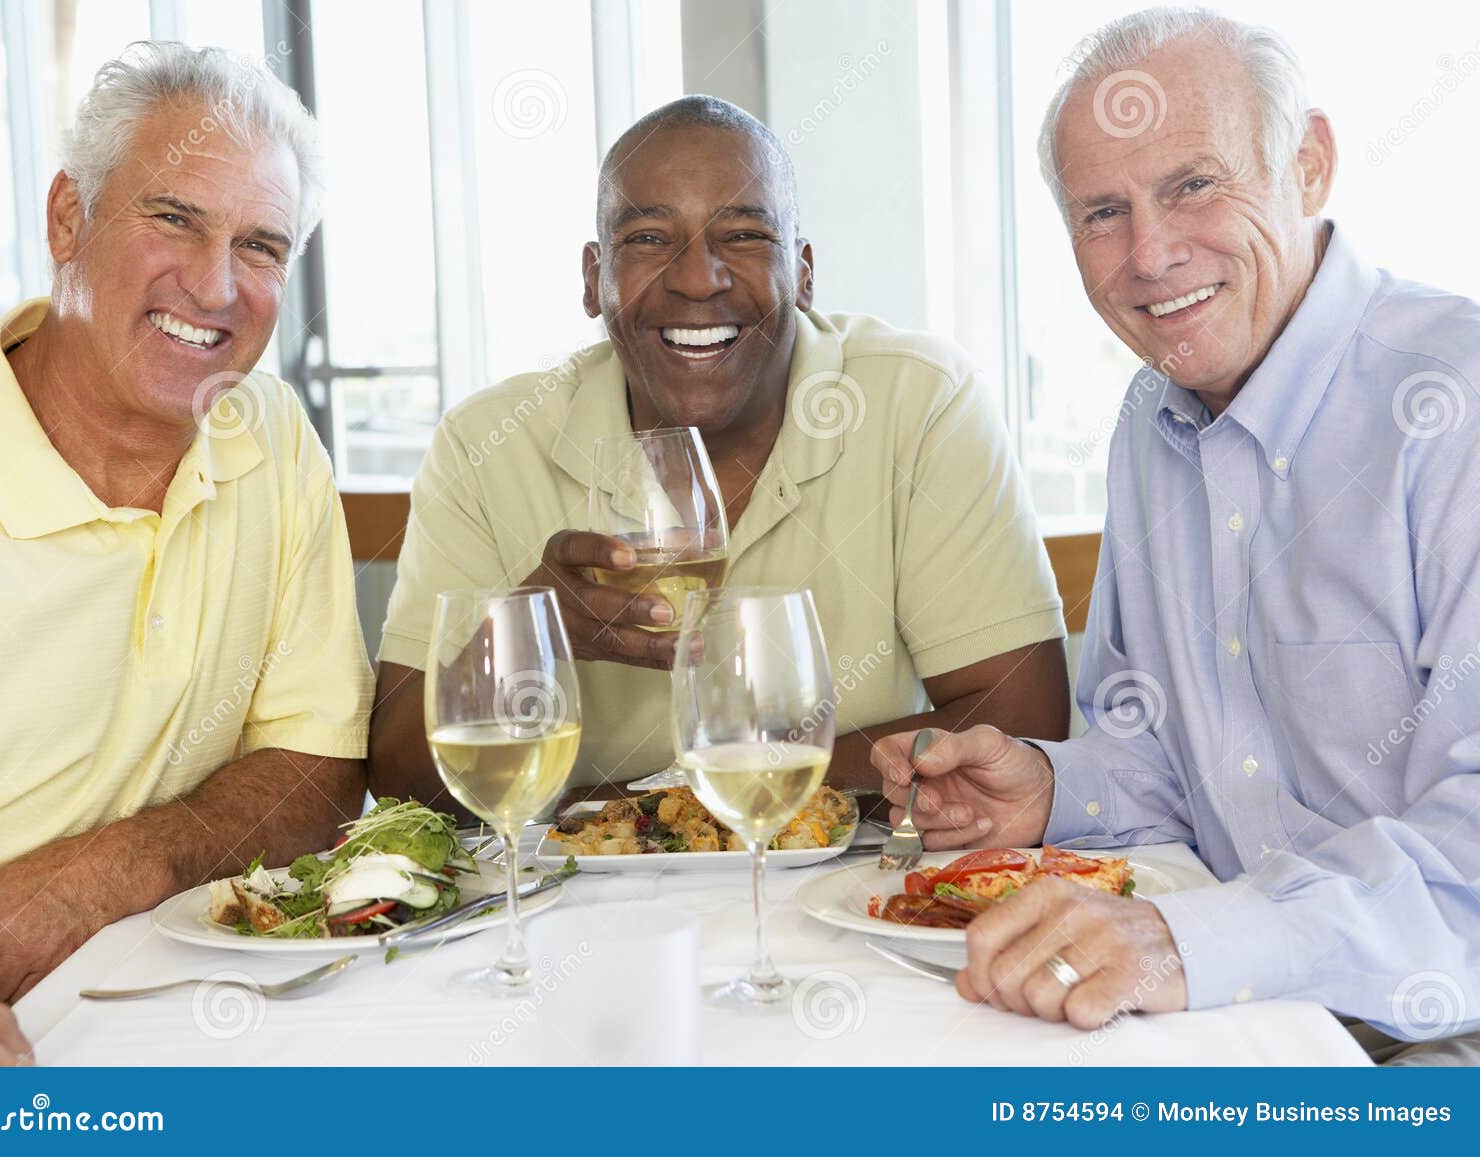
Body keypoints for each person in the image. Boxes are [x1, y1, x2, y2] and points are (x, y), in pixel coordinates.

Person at [875, 7, 1480, 1063]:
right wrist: (1050, 784)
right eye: (1101, 212)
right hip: (1257, 1015)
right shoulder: (1149, 423)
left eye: (1191, 185)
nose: (1149, 254)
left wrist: (1184, 939)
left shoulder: (1452, 407)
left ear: (1308, 164)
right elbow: (1178, 751)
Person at [0, 43, 372, 1062]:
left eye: (261, 246)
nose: (213, 284)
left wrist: (119, 863)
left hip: (216, 1003)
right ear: (69, 217)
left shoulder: (269, 434)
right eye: (174, 218)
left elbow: (319, 763)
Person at [369, 96, 1070, 808]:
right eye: (646, 238)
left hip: (850, 891)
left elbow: (1024, 724)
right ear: (593, 279)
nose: (698, 278)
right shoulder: (487, 442)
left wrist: (675, 800)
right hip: (587, 911)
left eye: (742, 235)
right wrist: (526, 633)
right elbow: (396, 772)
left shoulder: (919, 402)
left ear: (802, 273)